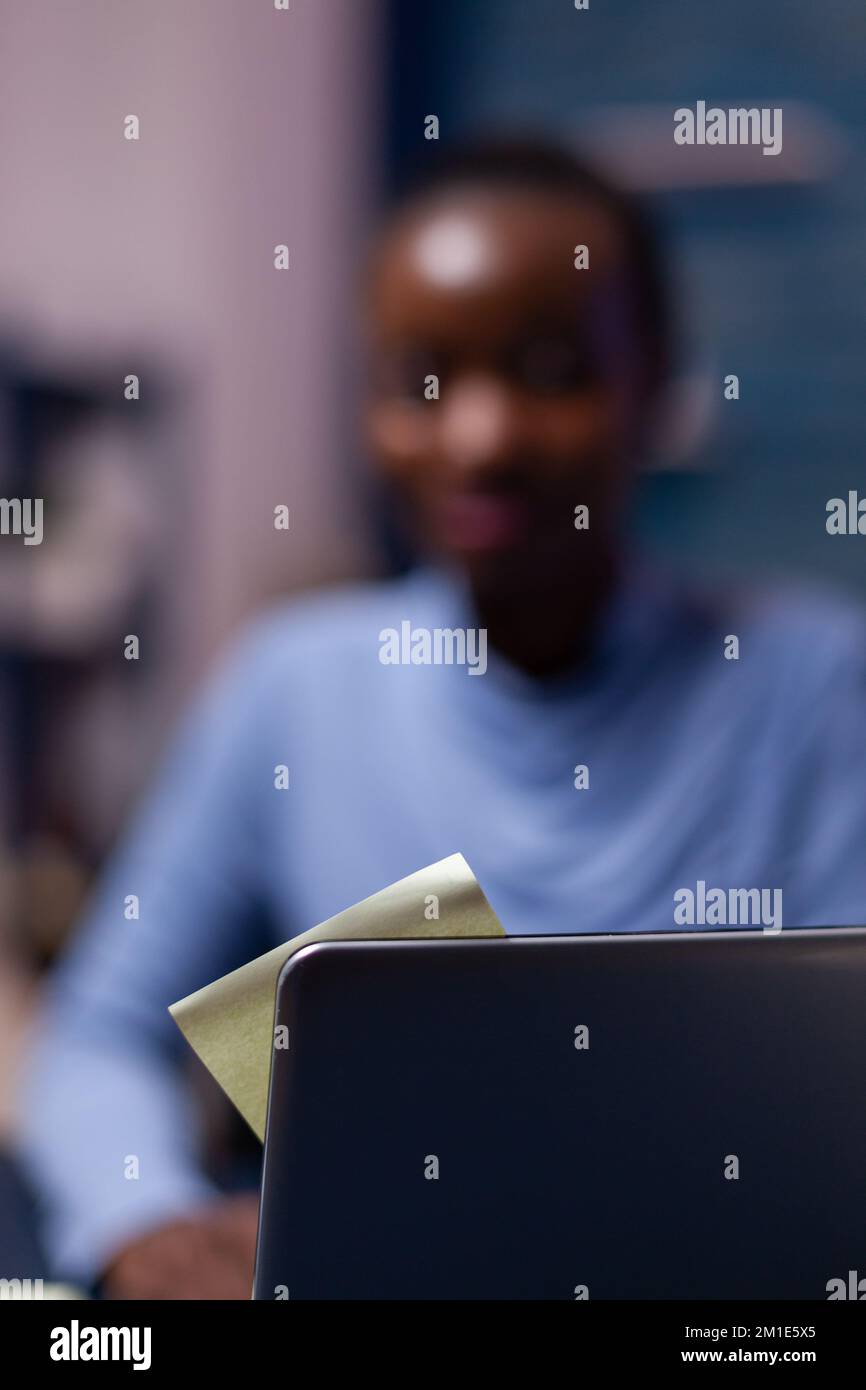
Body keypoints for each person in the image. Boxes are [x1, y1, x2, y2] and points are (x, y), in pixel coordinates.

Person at [16, 137, 866, 1299]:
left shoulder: (812, 684)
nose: (478, 437)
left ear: (655, 380)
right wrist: (144, 1220)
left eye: (551, 368)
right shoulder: (291, 689)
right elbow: (96, 1038)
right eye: (419, 381)